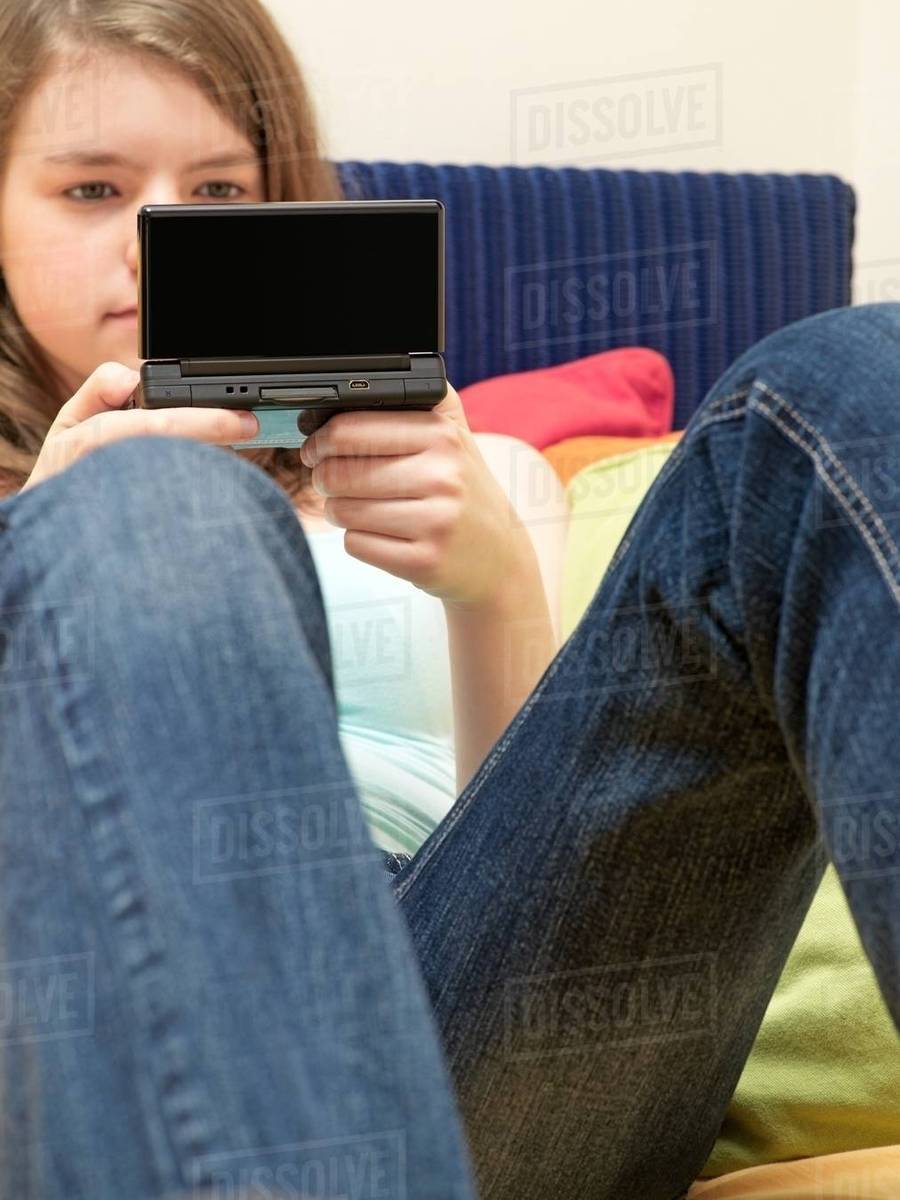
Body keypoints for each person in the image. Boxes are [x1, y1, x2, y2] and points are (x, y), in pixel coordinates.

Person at [0, 3, 897, 1200]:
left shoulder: (491, 479)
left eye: (217, 195)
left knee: (845, 376)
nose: (155, 242)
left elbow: (568, 843)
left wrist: (494, 590)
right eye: (92, 190)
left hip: (481, 1021)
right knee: (161, 509)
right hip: (139, 1038)